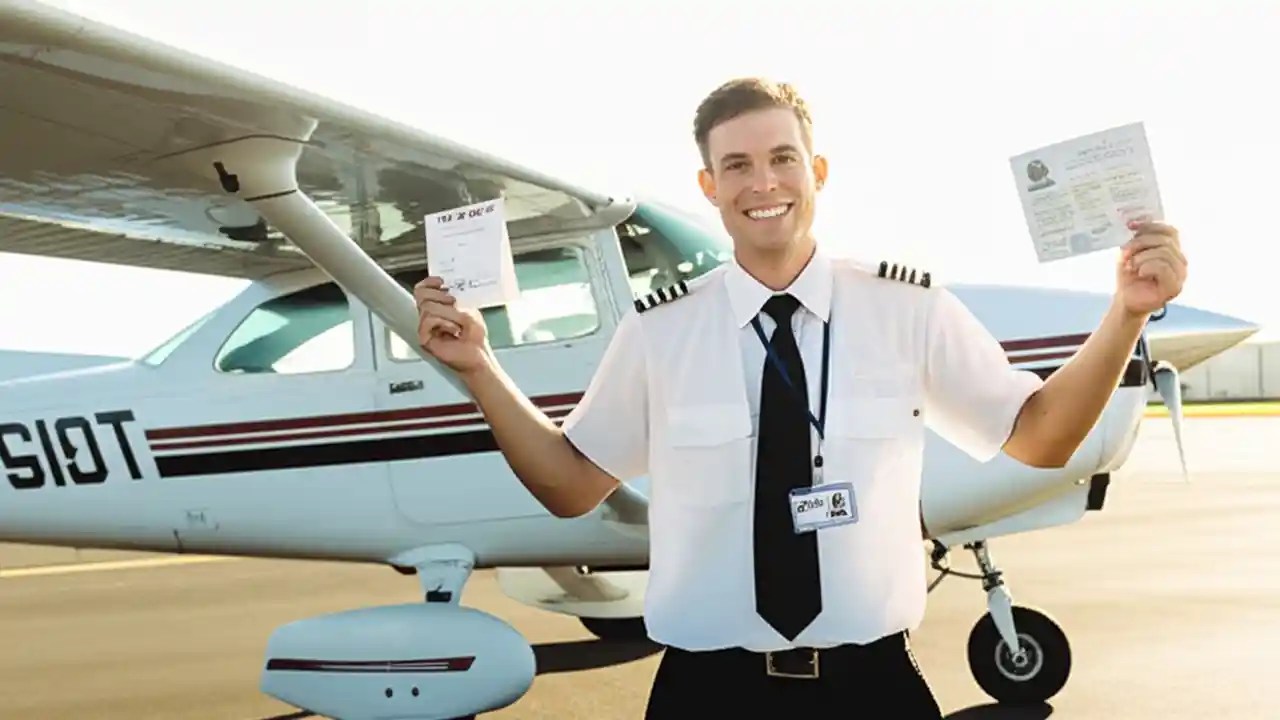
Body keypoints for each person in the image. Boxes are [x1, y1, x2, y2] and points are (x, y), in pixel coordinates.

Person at [414, 78, 1188, 717]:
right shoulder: (659, 333)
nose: (764, 183)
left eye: (784, 158)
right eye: (738, 165)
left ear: (817, 172)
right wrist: (480, 368)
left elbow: (1039, 439)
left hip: (873, 690)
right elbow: (569, 485)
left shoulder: (907, 309)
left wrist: (1125, 313)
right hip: (706, 694)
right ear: (709, 186)